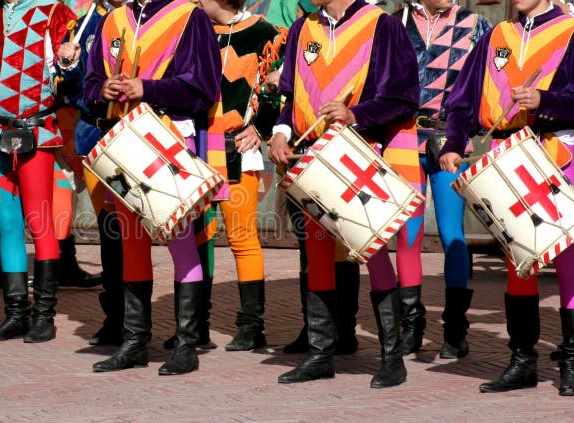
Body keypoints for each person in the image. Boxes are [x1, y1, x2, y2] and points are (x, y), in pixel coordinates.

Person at [268, 0, 419, 388]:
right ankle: (321, 355)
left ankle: (392, 357)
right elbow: (290, 98)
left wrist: (357, 115)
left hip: (360, 155)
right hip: (312, 159)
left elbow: (404, 98)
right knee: (316, 254)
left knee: (373, 251)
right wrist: (281, 132)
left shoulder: (382, 25)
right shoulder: (304, 28)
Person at [438, 0, 574, 396]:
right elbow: (462, 101)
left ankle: (570, 360)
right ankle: (522, 361)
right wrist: (454, 142)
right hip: (507, 159)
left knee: (567, 259)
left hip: (557, 155)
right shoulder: (496, 36)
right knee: (518, 260)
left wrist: (546, 102)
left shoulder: (569, 30)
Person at [84, 0, 223, 375]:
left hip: (170, 140)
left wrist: (146, 87)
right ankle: (134, 342)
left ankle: (187, 343)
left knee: (181, 242)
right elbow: (89, 84)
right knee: (131, 244)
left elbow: (204, 88)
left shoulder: (190, 16)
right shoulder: (113, 19)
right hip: (123, 144)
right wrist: (103, 89)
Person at [178, 0, 286, 352]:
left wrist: (262, 127)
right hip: (197, 148)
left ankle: (251, 327)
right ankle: (195, 326)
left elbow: (279, 90)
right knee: (198, 236)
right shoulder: (195, 30)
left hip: (238, 150)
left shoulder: (266, 34)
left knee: (242, 238)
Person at [0, 0, 76, 345]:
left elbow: (69, 73)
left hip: (37, 133)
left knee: (40, 221)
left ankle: (44, 317)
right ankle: (16, 315)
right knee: (8, 225)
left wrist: (68, 61)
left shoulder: (54, 11)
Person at [395, 0, 490, 356]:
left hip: (453, 141)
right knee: (408, 234)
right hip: (403, 139)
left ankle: (454, 329)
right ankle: (411, 326)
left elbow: (486, 83)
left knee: (453, 234)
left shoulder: (477, 26)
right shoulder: (394, 24)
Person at [55, 0, 128, 347]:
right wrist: (66, 66)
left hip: (131, 136)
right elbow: (68, 91)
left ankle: (137, 316)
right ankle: (115, 316)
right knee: (109, 228)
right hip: (93, 136)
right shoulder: (81, 26)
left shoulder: (142, 20)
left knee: (133, 229)